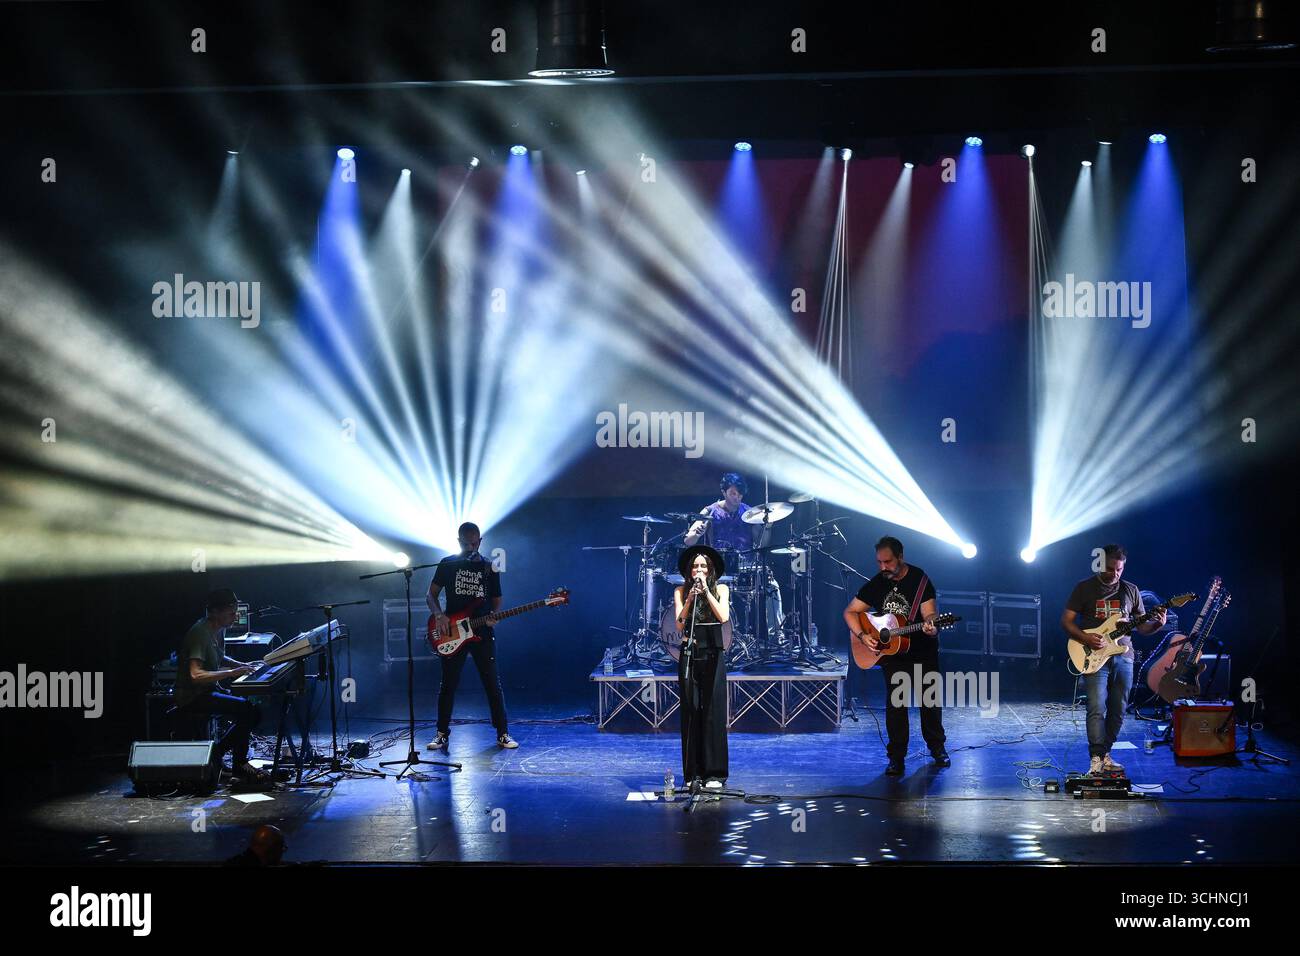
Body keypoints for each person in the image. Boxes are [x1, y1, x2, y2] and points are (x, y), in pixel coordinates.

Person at [842, 536, 949, 776]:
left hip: (923, 651)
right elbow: (850, 612)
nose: (883, 567)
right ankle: (896, 757)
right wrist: (862, 636)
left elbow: (930, 613)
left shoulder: (919, 580)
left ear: (900, 557)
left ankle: (937, 748)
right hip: (894, 655)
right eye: (879, 562)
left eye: (888, 562)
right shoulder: (879, 582)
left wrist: (932, 624)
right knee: (896, 705)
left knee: (929, 702)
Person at [1061, 544, 1166, 775]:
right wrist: (1086, 637)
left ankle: (1104, 754)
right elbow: (1066, 621)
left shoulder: (1131, 590)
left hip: (1123, 655)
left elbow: (1143, 627)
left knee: (1118, 709)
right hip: (1094, 656)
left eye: (1119, 570)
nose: (1115, 574)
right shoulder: (1084, 588)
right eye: (1110, 568)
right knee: (1096, 707)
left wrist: (1158, 623)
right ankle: (1096, 758)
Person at [426, 522, 517, 751]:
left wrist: (494, 616)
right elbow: (431, 594)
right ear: (458, 541)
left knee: (492, 684)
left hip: (482, 631)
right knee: (448, 684)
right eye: (466, 543)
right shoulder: (447, 564)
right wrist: (439, 615)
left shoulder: (489, 567)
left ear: (480, 541)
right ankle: (441, 733)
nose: (470, 547)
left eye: (474, 543)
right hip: (452, 632)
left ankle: (503, 733)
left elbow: (496, 599)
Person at [173, 588, 270, 785]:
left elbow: (218, 655)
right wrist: (231, 673)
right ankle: (237, 764)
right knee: (246, 710)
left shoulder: (218, 629)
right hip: (192, 697)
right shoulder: (200, 633)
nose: (235, 617)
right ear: (215, 612)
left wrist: (239, 665)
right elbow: (195, 674)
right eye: (231, 613)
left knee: (252, 711)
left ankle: (218, 754)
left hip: (208, 691)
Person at [673, 545, 730, 790]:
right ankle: (693, 773)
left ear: (710, 570)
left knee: (713, 712)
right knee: (691, 710)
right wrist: (690, 598)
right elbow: (679, 623)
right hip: (690, 652)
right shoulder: (680, 590)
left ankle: (714, 773)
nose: (699, 570)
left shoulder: (722, 589)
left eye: (703, 566)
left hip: (713, 653)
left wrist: (706, 592)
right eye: (695, 566)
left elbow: (723, 616)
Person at [683, 471, 756, 553]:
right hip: (717, 561)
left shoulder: (750, 512)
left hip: (745, 563)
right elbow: (687, 541)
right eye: (733, 493)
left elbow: (761, 543)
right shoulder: (709, 511)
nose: (737, 497)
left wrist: (767, 528)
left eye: (740, 493)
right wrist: (696, 535)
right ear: (724, 492)